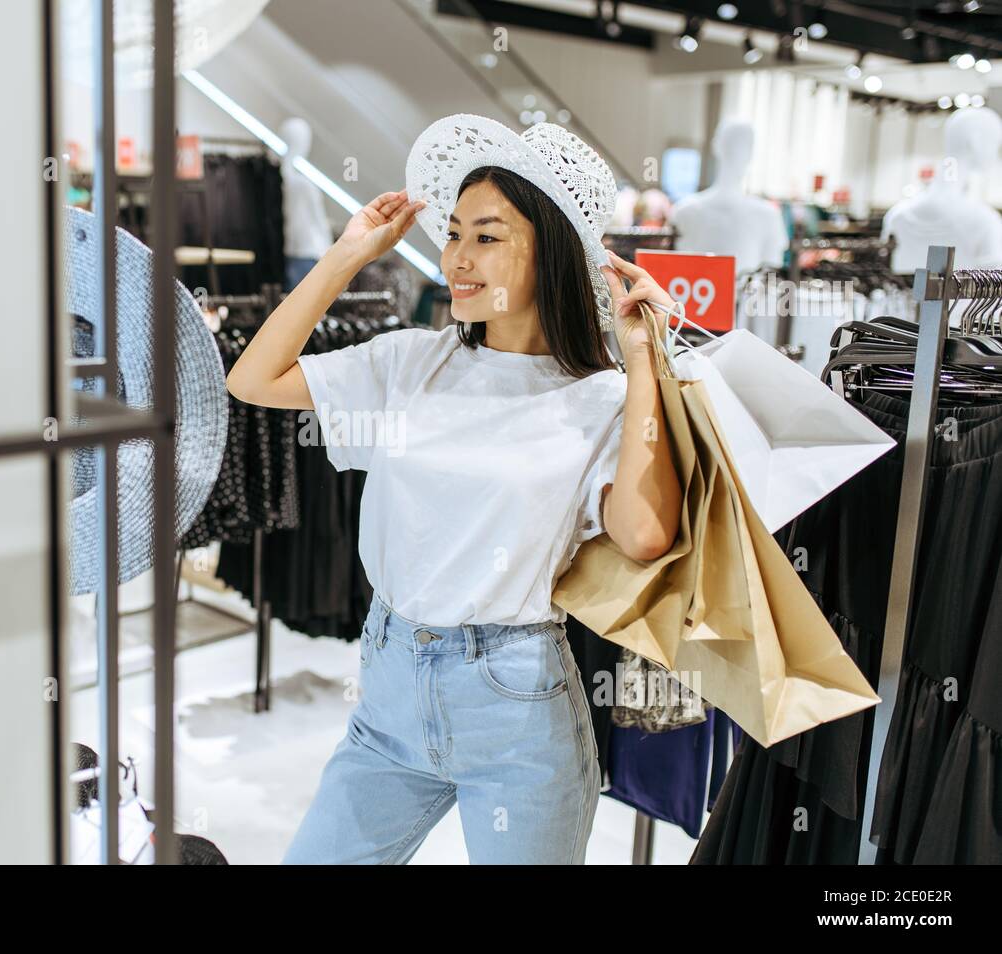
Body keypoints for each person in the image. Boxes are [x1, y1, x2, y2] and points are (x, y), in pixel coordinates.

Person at [226, 115, 682, 864]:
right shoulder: (410, 363)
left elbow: (643, 535)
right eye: (455, 232)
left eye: (488, 236)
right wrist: (346, 255)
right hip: (389, 694)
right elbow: (254, 379)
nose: (457, 259)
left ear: (550, 253)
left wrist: (641, 366)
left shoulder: (598, 400)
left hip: (517, 710)